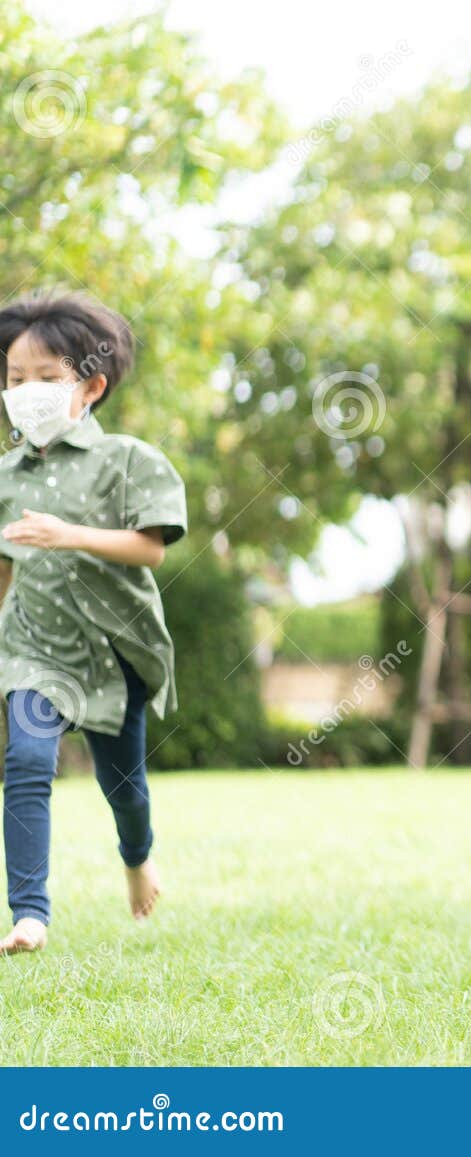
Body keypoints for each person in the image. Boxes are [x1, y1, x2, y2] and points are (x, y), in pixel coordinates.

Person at [0, 293, 188, 955]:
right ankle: (29, 913)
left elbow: (151, 547)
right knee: (25, 761)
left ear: (91, 385)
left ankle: (138, 857)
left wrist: (66, 534)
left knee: (123, 786)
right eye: (14, 380)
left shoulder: (129, 460)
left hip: (115, 653)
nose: (26, 393)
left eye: (46, 379)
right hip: (33, 651)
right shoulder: (4, 476)